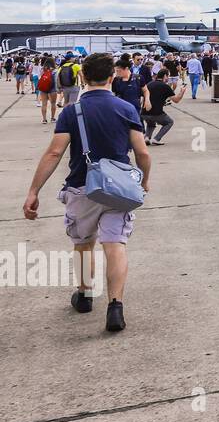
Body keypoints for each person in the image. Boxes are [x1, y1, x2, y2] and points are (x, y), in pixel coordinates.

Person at [23, 52, 150, 333]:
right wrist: (144, 182)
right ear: (112, 76)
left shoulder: (72, 111)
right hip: (118, 188)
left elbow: (55, 151)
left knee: (83, 244)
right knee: (115, 244)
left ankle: (84, 295)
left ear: (82, 77)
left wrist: (34, 191)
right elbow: (142, 153)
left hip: (82, 186)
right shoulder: (126, 109)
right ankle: (115, 306)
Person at [141, 66, 183, 144]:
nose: (168, 78)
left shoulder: (149, 84)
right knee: (169, 122)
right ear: (164, 76)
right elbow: (176, 100)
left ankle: (146, 137)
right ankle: (156, 139)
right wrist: (182, 92)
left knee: (151, 124)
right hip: (156, 113)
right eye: (168, 76)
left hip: (144, 112)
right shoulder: (165, 86)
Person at [36, 57, 58, 124]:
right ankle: (52, 118)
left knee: (44, 104)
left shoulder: (42, 69)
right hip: (53, 88)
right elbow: (56, 80)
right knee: (53, 103)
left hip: (43, 88)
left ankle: (44, 119)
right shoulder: (55, 70)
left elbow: (39, 78)